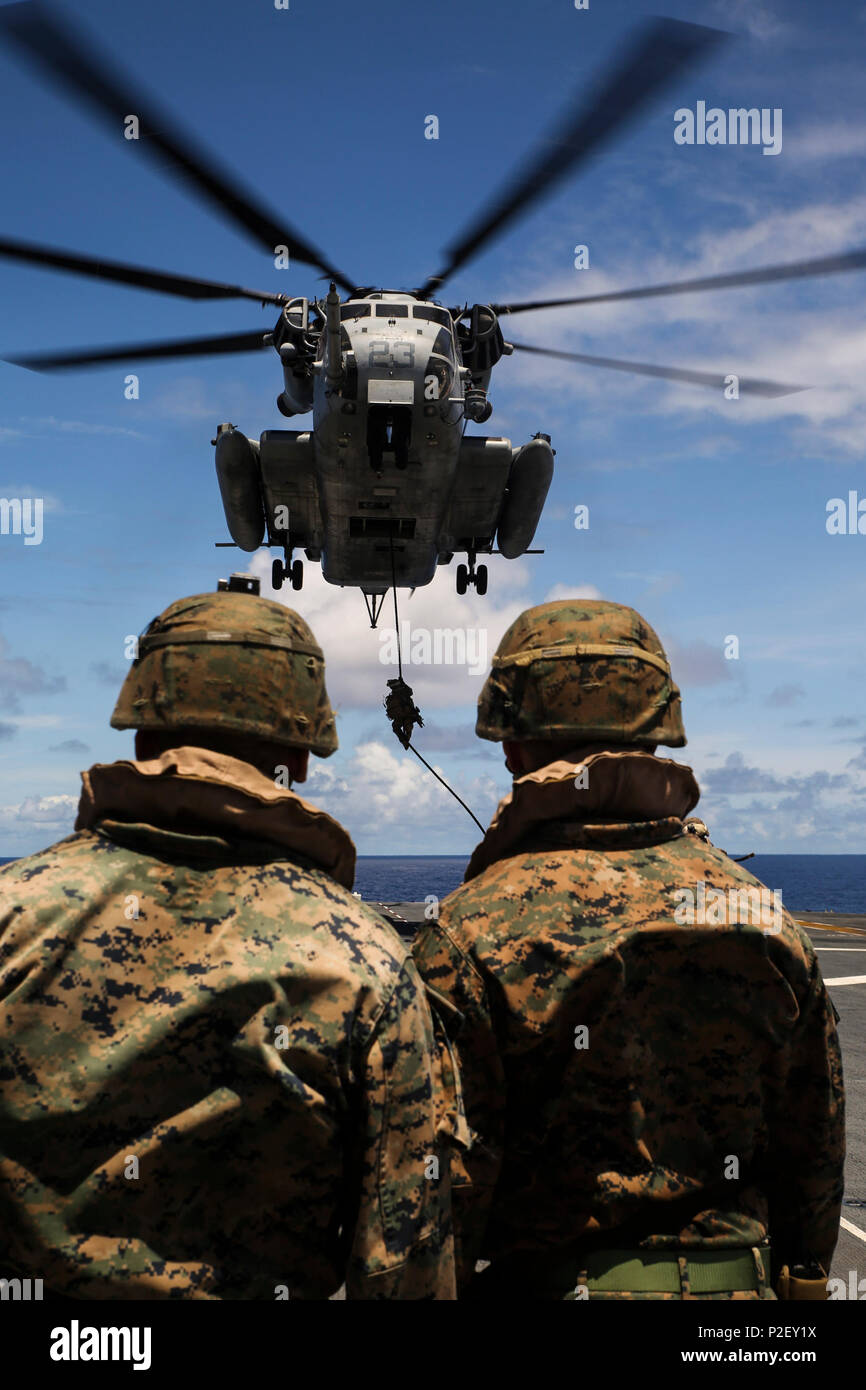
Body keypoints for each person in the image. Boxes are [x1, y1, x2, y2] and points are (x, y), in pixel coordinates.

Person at [0, 587, 465, 1300]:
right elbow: (404, 1264)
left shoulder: (11, 915)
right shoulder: (365, 959)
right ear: (301, 757)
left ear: (141, 735)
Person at [413, 599, 844, 1300]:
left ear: (511, 748)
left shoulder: (464, 936)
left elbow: (440, 1198)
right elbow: (814, 1157)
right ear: (660, 736)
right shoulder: (767, 921)